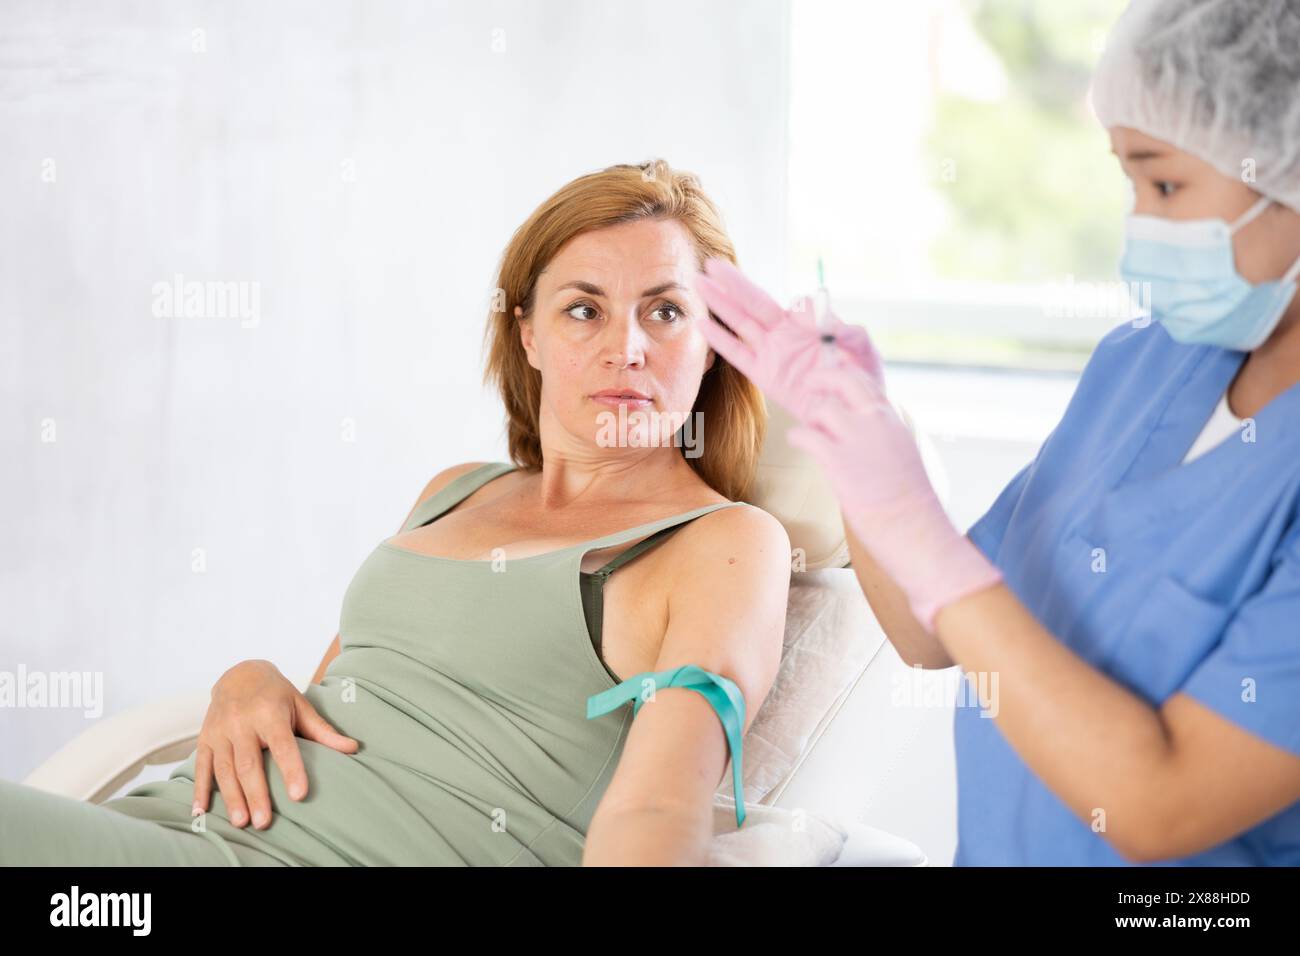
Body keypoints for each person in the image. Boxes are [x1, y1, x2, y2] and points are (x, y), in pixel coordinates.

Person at [1, 160, 791, 867]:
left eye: (664, 311)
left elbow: (658, 812)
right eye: (584, 310)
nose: (626, 347)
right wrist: (248, 681)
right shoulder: (456, 490)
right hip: (177, 827)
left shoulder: (724, 544)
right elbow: (340, 706)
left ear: (714, 342)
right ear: (530, 338)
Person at [691, 0, 1300, 865]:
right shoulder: (1143, 365)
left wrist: (929, 544)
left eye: (1165, 185)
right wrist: (856, 436)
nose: (1140, 226)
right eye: (1129, 182)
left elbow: (1160, 807)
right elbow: (932, 632)